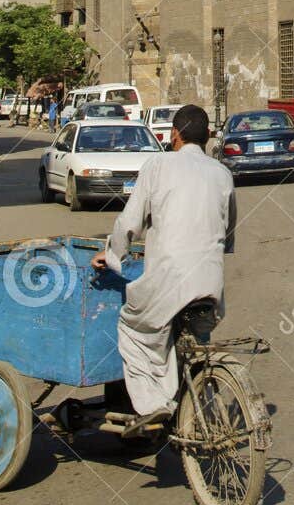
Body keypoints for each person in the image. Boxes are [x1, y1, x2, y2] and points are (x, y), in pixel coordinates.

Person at [91, 103, 236, 430]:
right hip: (211, 283)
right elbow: (228, 236)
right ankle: (184, 404)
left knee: (132, 327)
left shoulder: (157, 165)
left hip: (170, 278)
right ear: (209, 136)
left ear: (174, 135)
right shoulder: (223, 173)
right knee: (191, 339)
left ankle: (154, 403)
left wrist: (113, 256)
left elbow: (129, 223)